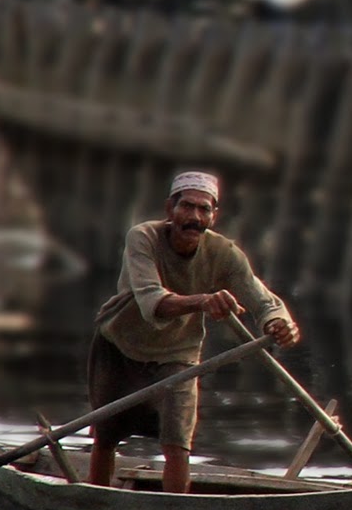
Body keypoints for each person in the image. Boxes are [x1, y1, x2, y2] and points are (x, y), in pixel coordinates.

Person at [86, 170, 300, 493]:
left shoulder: (223, 253)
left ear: (214, 216)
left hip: (178, 355)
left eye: (204, 210)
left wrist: (277, 322)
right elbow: (152, 302)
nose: (195, 217)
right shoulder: (143, 238)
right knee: (106, 436)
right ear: (170, 210)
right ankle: (95, 502)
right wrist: (203, 301)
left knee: (178, 444)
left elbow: (263, 300)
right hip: (120, 346)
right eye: (187, 207)